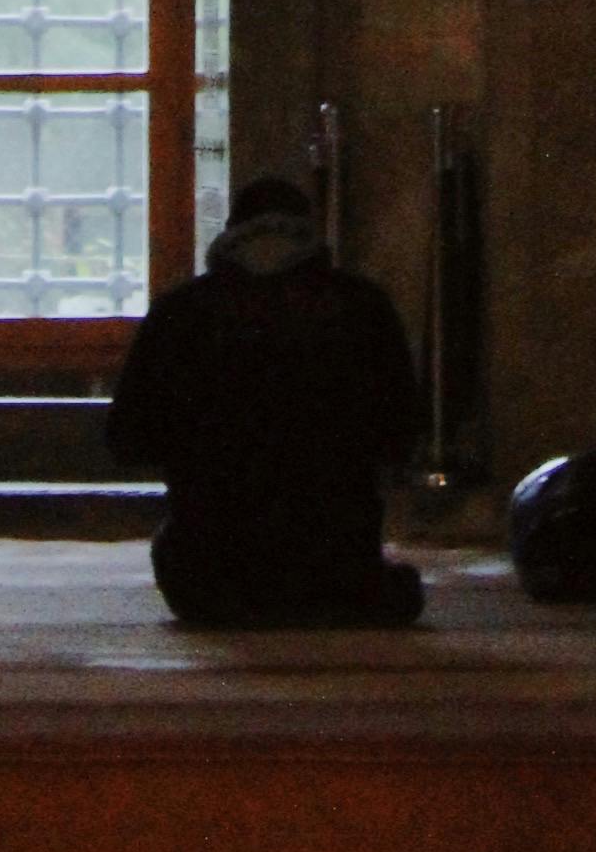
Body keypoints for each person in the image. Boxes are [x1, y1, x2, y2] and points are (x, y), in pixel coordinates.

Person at [107, 173, 426, 626]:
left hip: (210, 581)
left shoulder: (182, 311)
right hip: (336, 575)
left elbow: (128, 439)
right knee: (399, 589)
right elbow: (402, 435)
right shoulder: (361, 306)